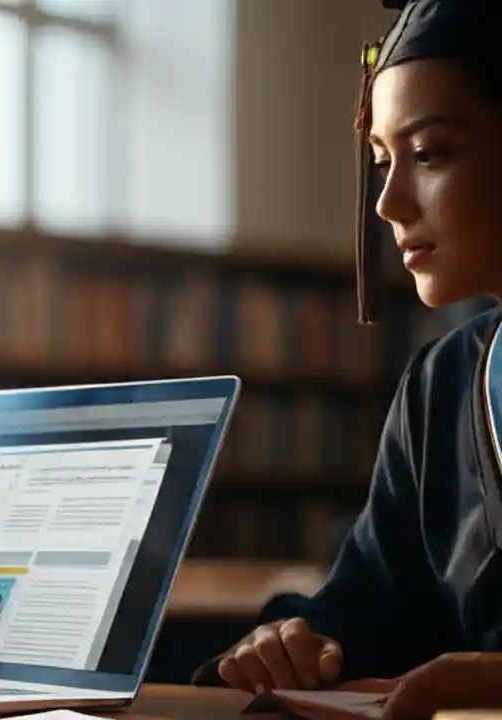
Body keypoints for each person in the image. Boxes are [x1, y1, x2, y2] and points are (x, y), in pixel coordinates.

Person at [192, 1, 502, 717]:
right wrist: (299, 642)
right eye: (382, 162)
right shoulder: (444, 385)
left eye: (428, 154)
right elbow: (368, 608)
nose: (389, 203)